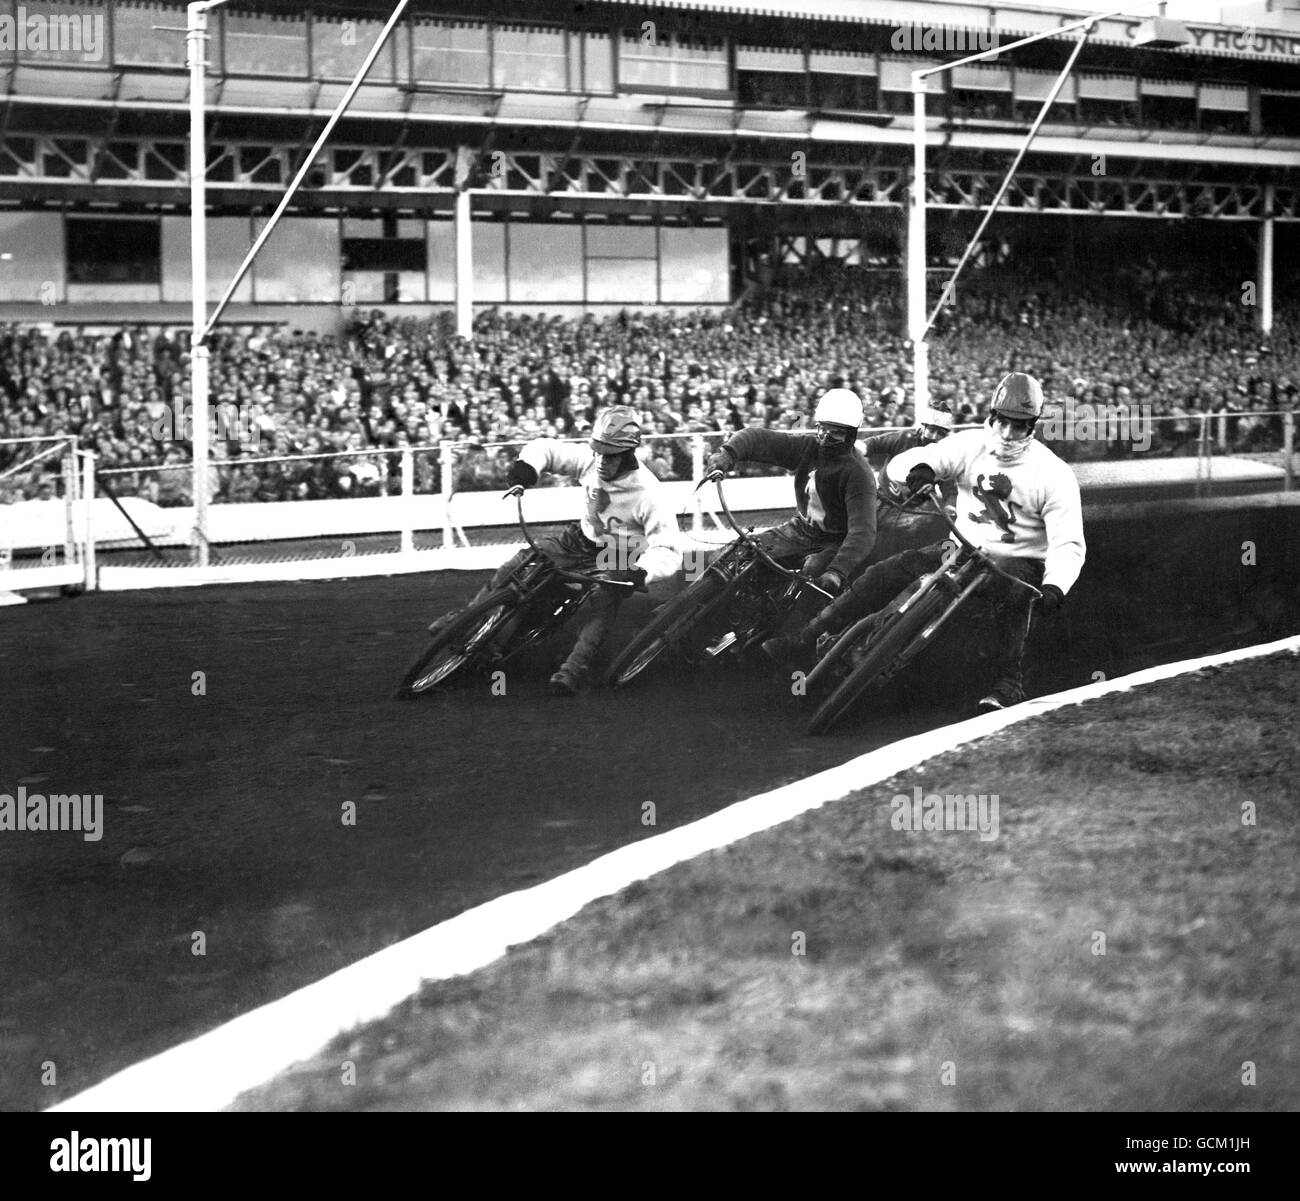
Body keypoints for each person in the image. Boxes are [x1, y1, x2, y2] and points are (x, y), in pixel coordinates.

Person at [789, 372, 1086, 712]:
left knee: (1016, 595)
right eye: (1001, 422)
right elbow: (916, 460)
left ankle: (1008, 683)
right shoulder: (969, 444)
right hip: (960, 549)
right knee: (884, 572)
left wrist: (1055, 585)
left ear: (1032, 426)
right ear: (991, 417)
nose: (1006, 433)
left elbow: (1068, 542)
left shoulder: (1054, 472)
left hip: (1018, 562)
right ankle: (807, 636)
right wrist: (921, 469)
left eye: (1017, 426)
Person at [430, 405, 682, 696]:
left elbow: (668, 549)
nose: (600, 461)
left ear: (628, 455)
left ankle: (572, 670)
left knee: (604, 600)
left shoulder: (650, 494)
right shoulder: (590, 460)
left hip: (619, 554)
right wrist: (527, 467)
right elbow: (545, 448)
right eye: (598, 451)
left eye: (609, 455)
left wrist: (642, 571)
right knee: (518, 565)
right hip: (577, 541)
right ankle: (464, 620)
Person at [702, 387, 878, 667]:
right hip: (800, 529)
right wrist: (727, 455)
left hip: (833, 541)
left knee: (810, 585)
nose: (825, 438)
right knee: (733, 555)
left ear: (851, 435)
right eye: (821, 429)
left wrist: (837, 570)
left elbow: (863, 532)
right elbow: (758, 438)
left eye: (835, 433)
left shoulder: (859, 475)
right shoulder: (808, 447)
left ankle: (785, 650)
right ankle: (687, 615)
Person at [861, 400, 955, 563]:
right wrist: (859, 450)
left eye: (940, 433)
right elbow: (872, 444)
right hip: (882, 498)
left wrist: (950, 507)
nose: (934, 437)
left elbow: (951, 489)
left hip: (914, 510)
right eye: (931, 430)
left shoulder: (945, 453)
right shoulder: (904, 438)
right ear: (922, 427)